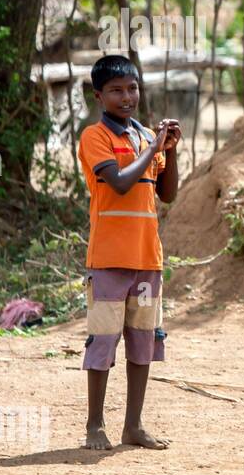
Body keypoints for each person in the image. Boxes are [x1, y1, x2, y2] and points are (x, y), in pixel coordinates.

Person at [77, 54, 180, 451]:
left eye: (132, 88)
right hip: (108, 259)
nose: (127, 96)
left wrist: (168, 152)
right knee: (102, 343)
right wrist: (154, 144)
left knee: (143, 342)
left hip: (146, 259)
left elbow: (167, 194)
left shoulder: (141, 137)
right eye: (117, 90)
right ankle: (94, 425)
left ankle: (133, 426)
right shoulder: (95, 136)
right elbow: (118, 182)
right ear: (99, 96)